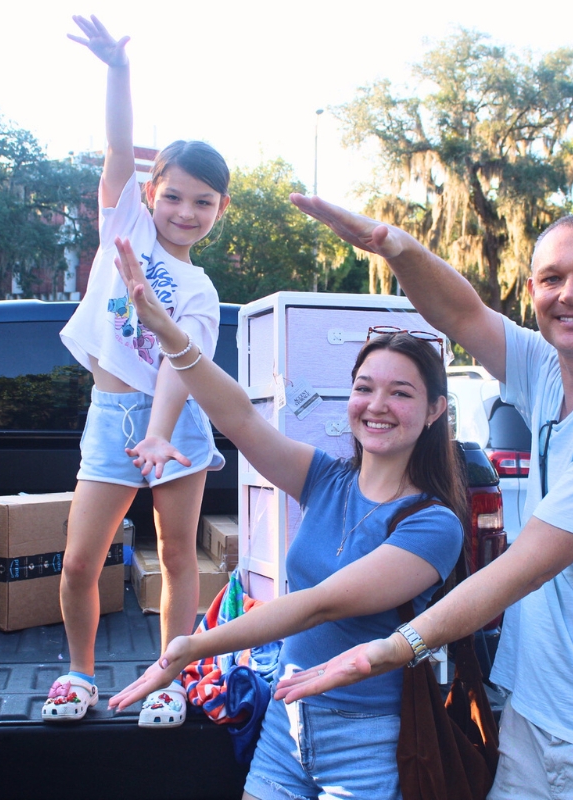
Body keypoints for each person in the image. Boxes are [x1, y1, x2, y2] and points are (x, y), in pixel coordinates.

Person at [277, 199, 573, 800]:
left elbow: (523, 566)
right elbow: (461, 312)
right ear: (532, 289)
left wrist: (393, 650)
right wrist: (395, 247)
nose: (571, 293)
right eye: (553, 279)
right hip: (537, 717)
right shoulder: (551, 373)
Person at [107, 238, 466, 800]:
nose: (376, 405)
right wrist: (166, 329)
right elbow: (239, 418)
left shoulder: (433, 523)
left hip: (368, 741)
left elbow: (318, 603)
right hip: (286, 719)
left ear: (434, 411)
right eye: (364, 388)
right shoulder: (325, 477)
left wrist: (193, 646)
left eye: (401, 393)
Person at [44, 15, 230, 726]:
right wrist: (117, 72)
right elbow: (119, 144)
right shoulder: (124, 224)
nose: (187, 211)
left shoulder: (200, 290)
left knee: (177, 556)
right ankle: (80, 674)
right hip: (109, 414)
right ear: (152, 193)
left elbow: (183, 368)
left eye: (204, 202)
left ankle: (168, 679)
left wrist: (160, 434)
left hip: (174, 420)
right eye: (175, 195)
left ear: (220, 210)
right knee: (77, 563)